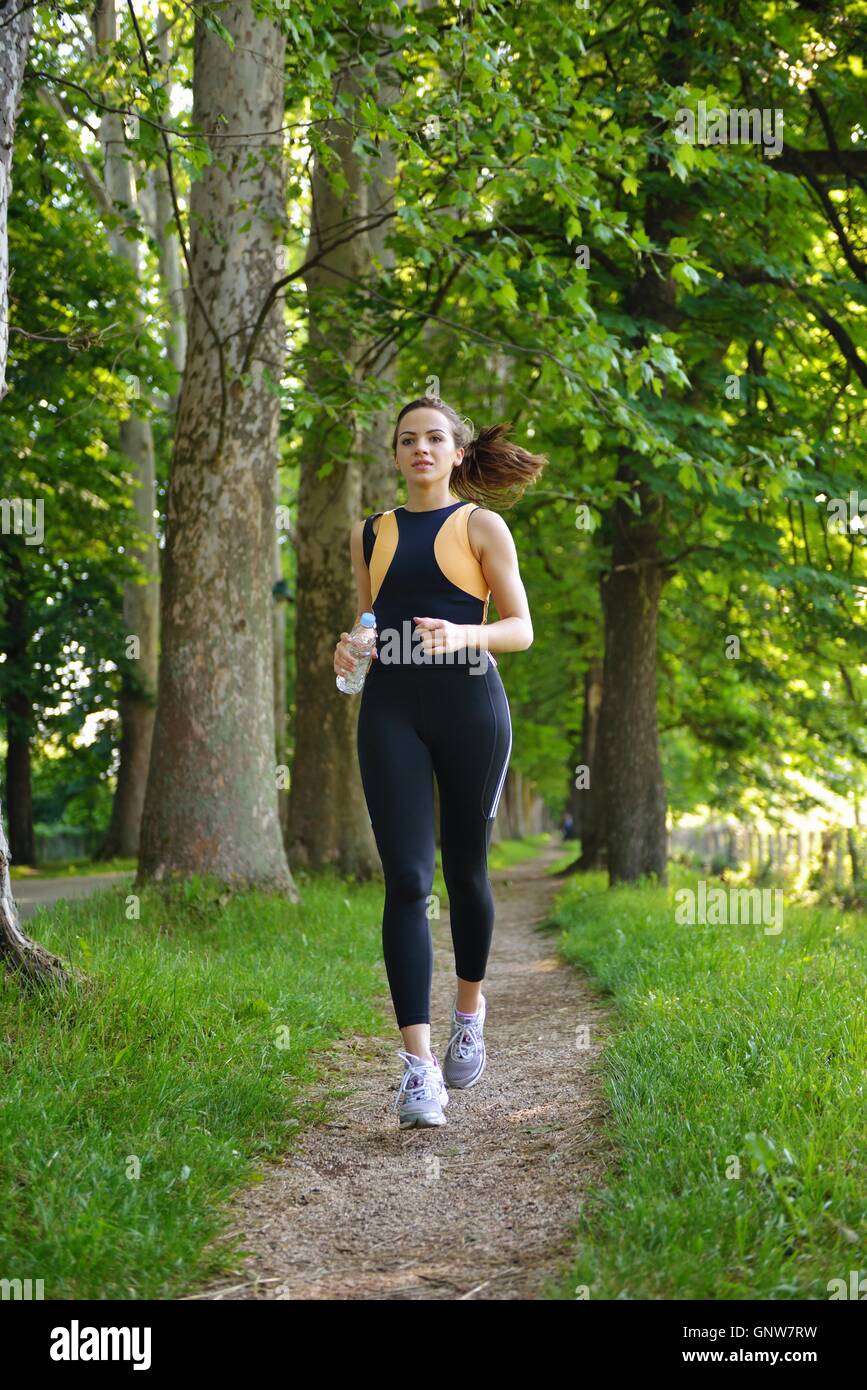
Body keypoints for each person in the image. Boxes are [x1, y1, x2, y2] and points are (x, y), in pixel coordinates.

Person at [333, 395, 546, 1128]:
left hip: (470, 711)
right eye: (405, 439)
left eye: (433, 438)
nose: (419, 448)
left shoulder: (481, 525)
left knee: (464, 872)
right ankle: (418, 1069)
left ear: (456, 453)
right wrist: (347, 657)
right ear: (394, 454)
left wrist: (463, 637)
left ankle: (467, 1013)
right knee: (407, 880)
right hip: (389, 709)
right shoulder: (372, 532)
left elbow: (518, 629)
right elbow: (366, 628)